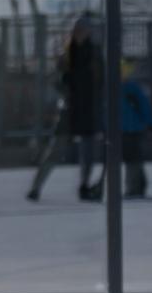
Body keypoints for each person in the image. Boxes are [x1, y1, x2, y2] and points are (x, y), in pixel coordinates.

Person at [26, 13, 104, 203]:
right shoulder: (66, 54)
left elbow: (101, 80)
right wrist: (65, 85)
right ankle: (36, 187)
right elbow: (56, 79)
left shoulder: (95, 54)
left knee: (87, 151)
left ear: (89, 32)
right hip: (69, 108)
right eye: (77, 29)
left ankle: (84, 186)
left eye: (83, 29)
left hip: (88, 108)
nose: (79, 33)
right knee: (56, 148)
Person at [120, 58, 152, 199]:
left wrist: (150, 123)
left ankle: (133, 187)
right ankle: (138, 185)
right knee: (133, 158)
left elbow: (144, 106)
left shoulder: (131, 89)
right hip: (127, 129)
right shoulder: (129, 88)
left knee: (132, 158)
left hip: (132, 129)